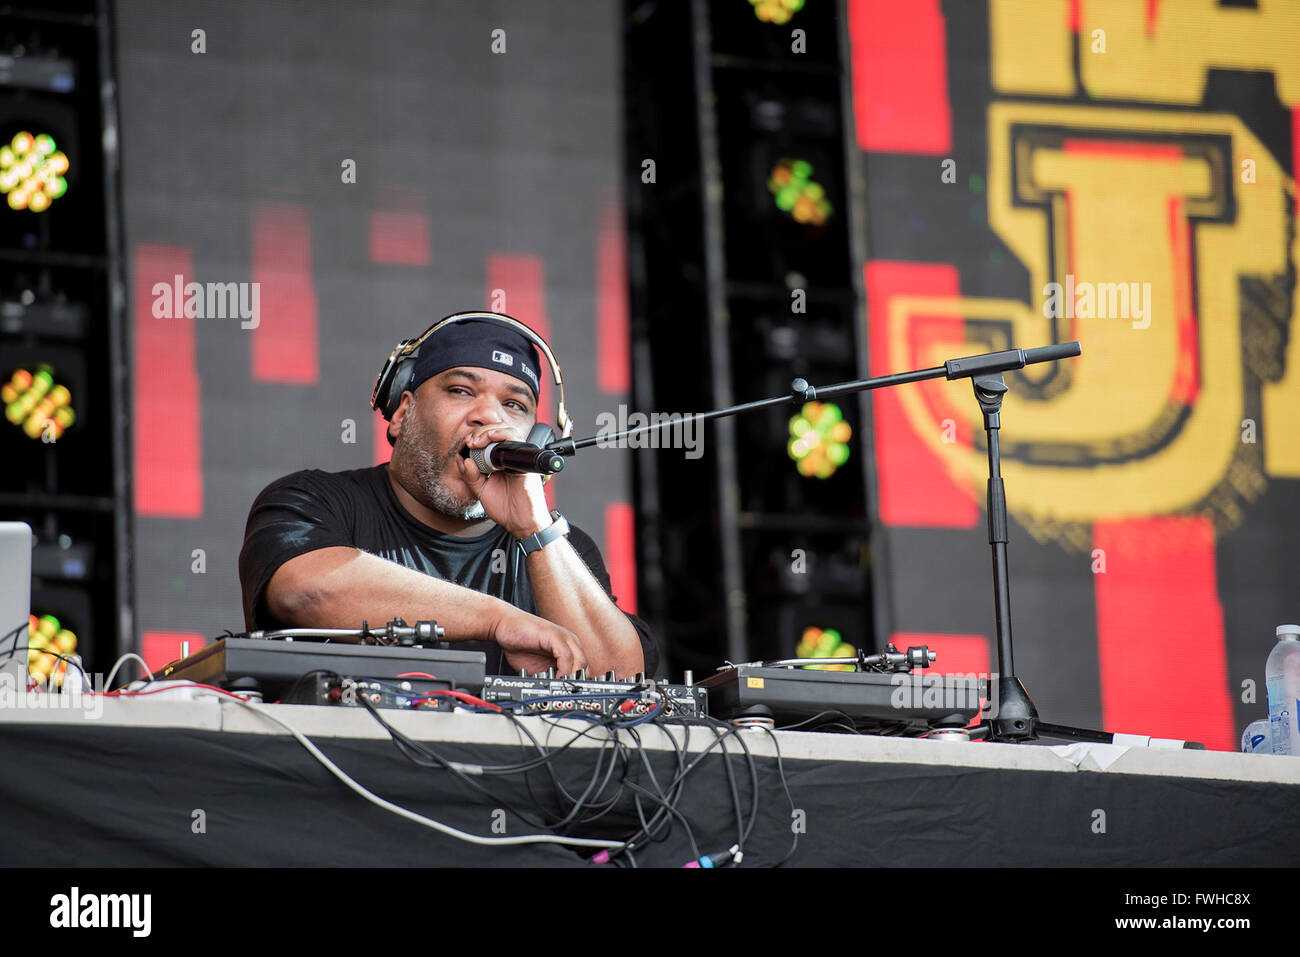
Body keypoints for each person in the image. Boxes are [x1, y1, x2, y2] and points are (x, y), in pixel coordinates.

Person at [238, 315, 656, 678]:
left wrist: (535, 530)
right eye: (461, 391)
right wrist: (496, 620)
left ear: (540, 439)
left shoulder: (561, 550)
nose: (488, 416)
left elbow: (622, 682)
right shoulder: (314, 499)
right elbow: (305, 590)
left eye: (513, 404)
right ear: (403, 413)